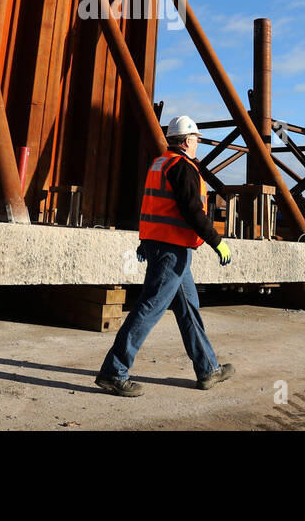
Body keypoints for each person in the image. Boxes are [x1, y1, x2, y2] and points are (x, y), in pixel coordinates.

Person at [95, 115, 234, 397]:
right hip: (171, 251)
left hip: (165, 246)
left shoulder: (160, 164)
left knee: (188, 308)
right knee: (149, 308)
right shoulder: (183, 168)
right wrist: (217, 241)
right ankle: (114, 371)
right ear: (186, 141)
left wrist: (146, 241)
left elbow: (155, 207)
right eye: (196, 140)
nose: (198, 145)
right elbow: (193, 211)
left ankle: (208, 368)